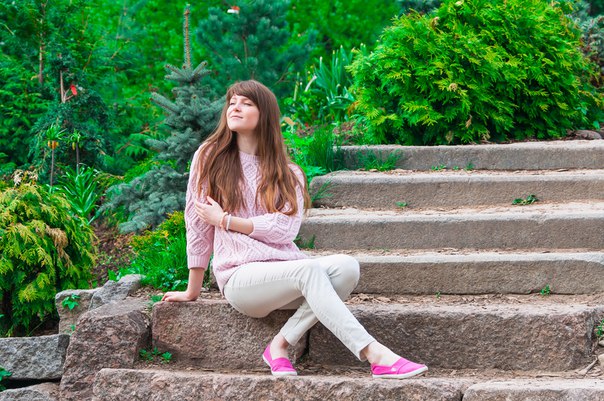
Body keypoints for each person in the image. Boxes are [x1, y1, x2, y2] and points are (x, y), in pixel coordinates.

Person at [161, 80, 428, 379]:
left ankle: (279, 344)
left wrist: (227, 221)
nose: (235, 107)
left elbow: (285, 229)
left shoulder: (289, 173)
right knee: (309, 270)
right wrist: (192, 290)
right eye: (232, 102)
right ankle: (374, 354)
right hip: (240, 276)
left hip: (287, 271)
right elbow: (197, 223)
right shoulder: (210, 157)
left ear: (265, 114)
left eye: (246, 103)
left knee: (347, 267)